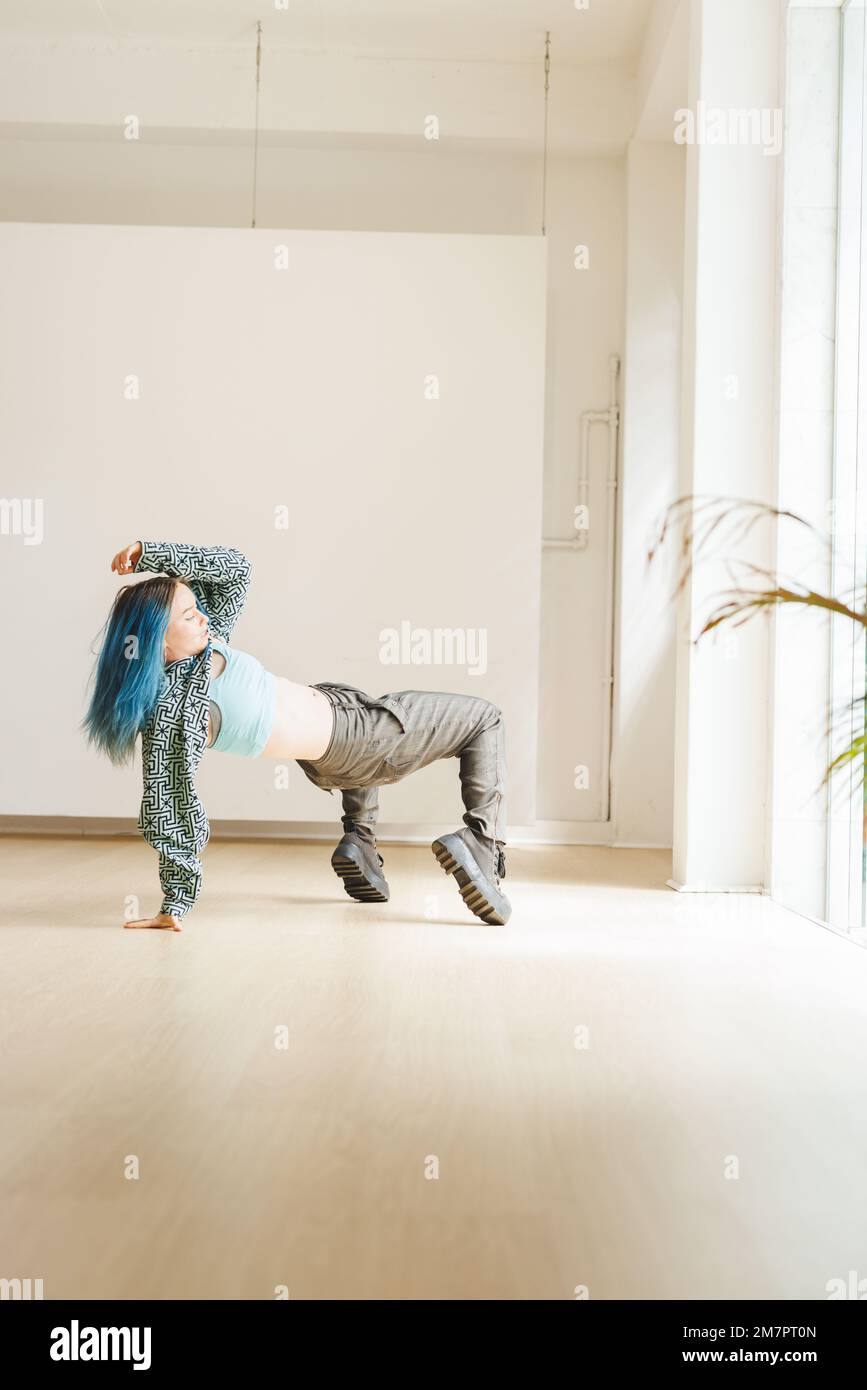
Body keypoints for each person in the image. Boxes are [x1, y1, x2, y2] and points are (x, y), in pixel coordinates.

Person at [82, 540, 511, 931]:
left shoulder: (200, 653)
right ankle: (482, 843)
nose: (204, 616)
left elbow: (234, 570)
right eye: (189, 614)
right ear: (158, 640)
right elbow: (171, 800)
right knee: (485, 719)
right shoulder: (180, 710)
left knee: (360, 708)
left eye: (198, 607)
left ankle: (359, 842)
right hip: (358, 739)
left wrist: (149, 555)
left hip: (338, 740)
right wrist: (174, 902)